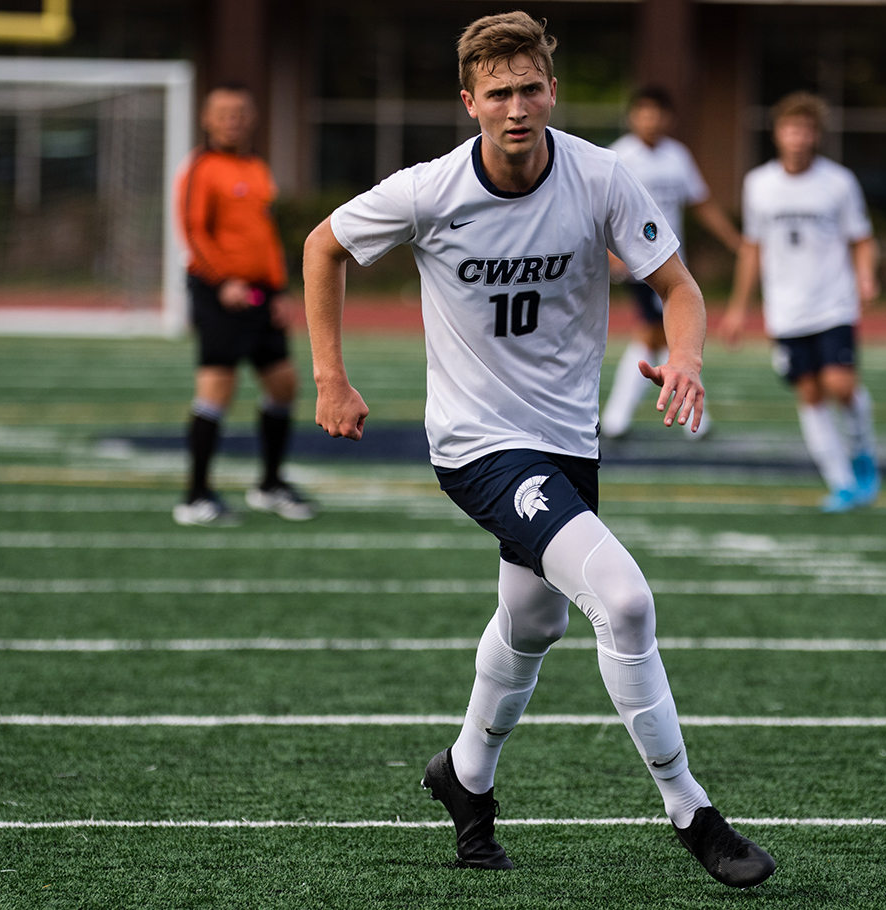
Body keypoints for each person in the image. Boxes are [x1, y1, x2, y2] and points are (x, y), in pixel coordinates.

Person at [302, 11, 774, 890]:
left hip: (566, 440)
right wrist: (331, 377)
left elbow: (678, 287)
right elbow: (322, 246)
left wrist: (688, 357)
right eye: (498, 93)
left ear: (552, 92)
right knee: (624, 602)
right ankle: (692, 813)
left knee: (535, 621)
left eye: (529, 89)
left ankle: (465, 775)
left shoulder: (601, 177)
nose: (515, 107)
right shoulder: (430, 190)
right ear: (469, 103)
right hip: (478, 446)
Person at [721, 91, 881, 513]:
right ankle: (841, 483)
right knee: (810, 393)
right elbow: (752, 248)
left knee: (840, 385)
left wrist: (866, 276)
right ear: (778, 134)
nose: (798, 137)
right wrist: (738, 309)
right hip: (786, 310)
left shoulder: (839, 182)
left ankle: (863, 452)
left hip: (833, 302)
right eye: (791, 129)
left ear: (816, 135)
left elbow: (862, 239)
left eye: (806, 130)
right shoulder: (758, 184)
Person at [172, 83, 315, 526]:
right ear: (207, 119)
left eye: (240, 112)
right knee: (217, 387)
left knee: (284, 384)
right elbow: (193, 230)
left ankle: (269, 484)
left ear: (252, 118)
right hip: (219, 292)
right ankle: (195, 496)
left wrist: (279, 290)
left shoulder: (256, 167)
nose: (232, 120)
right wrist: (222, 281)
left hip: (259, 293)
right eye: (224, 112)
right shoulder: (201, 168)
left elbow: (265, 235)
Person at [600, 87, 744, 441]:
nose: (650, 120)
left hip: (671, 265)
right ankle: (623, 418)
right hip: (638, 263)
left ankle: (622, 418)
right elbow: (598, 211)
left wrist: (733, 239)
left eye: (657, 114)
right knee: (657, 334)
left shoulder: (678, 156)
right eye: (643, 113)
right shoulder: (618, 156)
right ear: (633, 117)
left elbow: (701, 203)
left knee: (661, 337)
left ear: (669, 119)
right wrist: (611, 253)